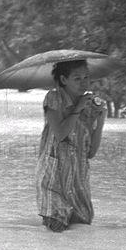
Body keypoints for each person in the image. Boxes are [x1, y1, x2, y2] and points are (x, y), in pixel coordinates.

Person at [36, 59, 106, 232]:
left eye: (86, 77)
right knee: (56, 228)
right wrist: (78, 108)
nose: (84, 82)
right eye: (77, 78)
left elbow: (90, 153)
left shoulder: (90, 104)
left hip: (78, 179)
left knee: (81, 231)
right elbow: (60, 134)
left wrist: (100, 119)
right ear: (63, 79)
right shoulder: (54, 98)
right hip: (54, 176)